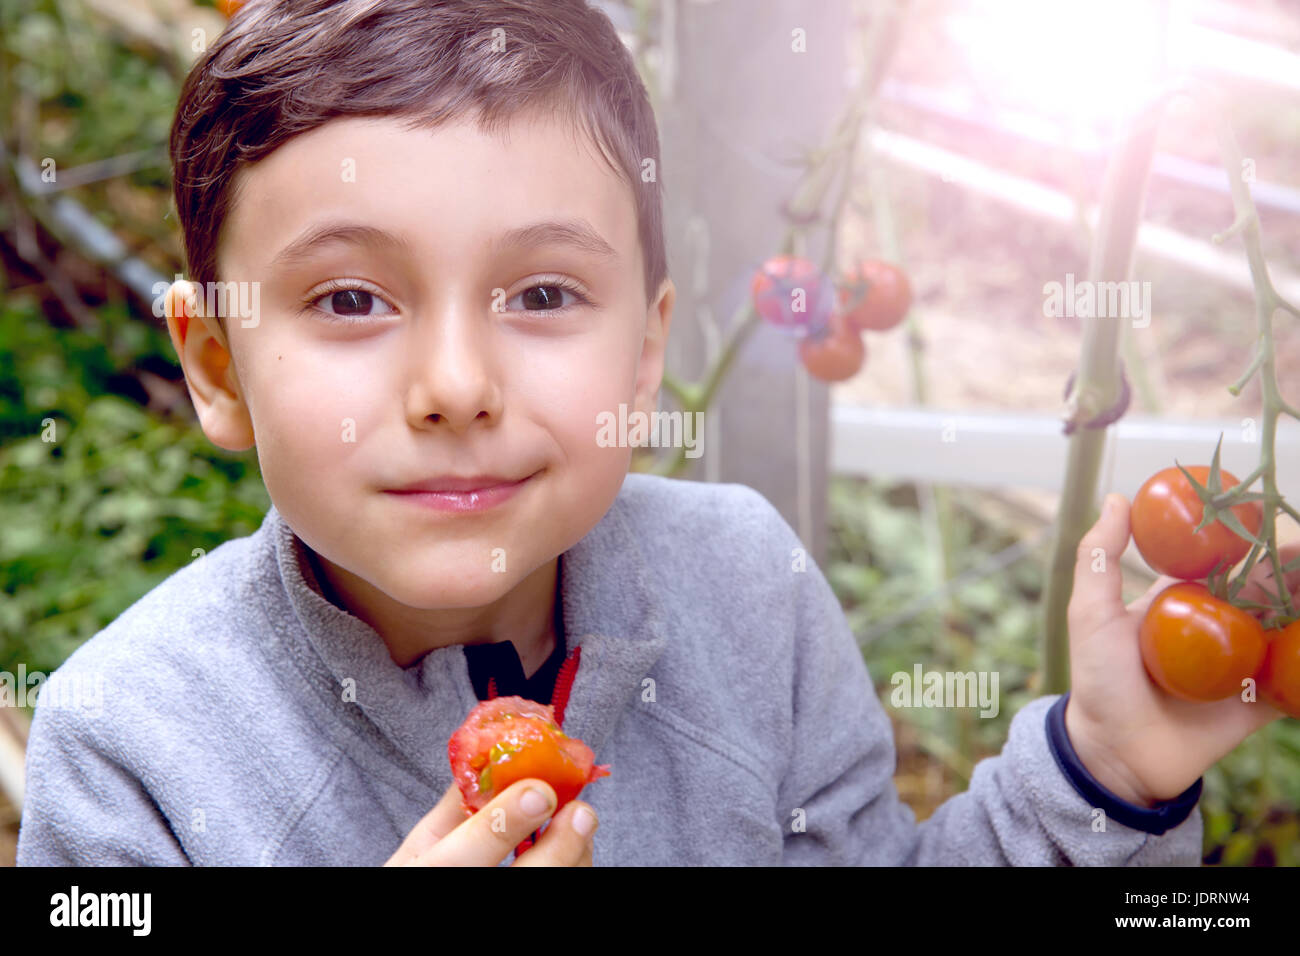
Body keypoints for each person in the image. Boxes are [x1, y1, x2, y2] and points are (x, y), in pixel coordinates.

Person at [16, 0, 1296, 866]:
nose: (456, 384)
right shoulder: (128, 753)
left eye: (542, 294)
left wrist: (1106, 773)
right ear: (216, 361)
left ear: (643, 350)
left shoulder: (746, 588)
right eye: (350, 298)